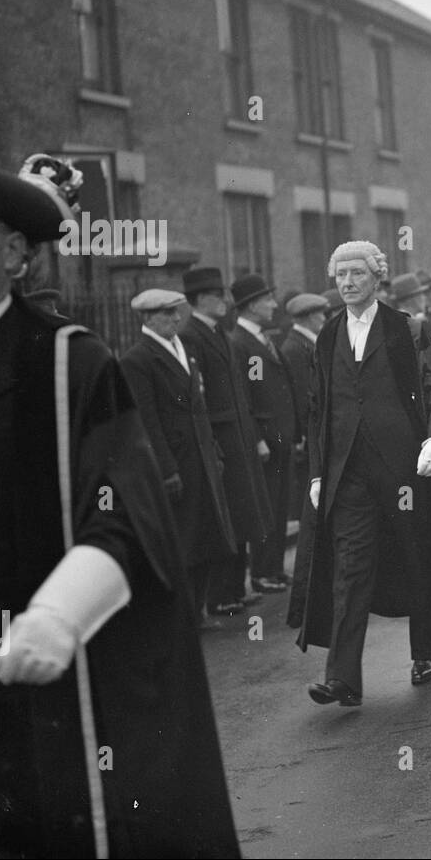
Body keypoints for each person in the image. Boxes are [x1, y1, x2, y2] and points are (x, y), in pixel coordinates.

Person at [0, 146, 237, 857]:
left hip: (48, 672)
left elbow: (128, 510)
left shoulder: (67, 360)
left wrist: (59, 613)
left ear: (19, 253)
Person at [297, 240, 431, 705]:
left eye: (356, 275)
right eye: (340, 276)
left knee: (417, 558)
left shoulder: (407, 329)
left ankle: (424, 653)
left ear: (377, 279)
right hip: (349, 474)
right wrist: (319, 474)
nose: (347, 283)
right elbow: (319, 411)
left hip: (404, 469)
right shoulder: (327, 335)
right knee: (350, 567)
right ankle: (342, 677)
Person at [120, 289, 236, 622]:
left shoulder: (182, 350)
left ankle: (196, 610)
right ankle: (182, 616)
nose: (175, 318)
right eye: (167, 313)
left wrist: (213, 450)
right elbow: (146, 420)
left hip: (201, 459)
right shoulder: (138, 359)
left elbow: (199, 410)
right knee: (184, 542)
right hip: (176, 464)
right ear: (147, 318)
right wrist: (167, 470)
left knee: (207, 538)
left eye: (176, 312)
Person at [180, 265, 271, 615]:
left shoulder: (218, 333)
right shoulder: (192, 335)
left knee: (244, 511)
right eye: (218, 296)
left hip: (239, 432)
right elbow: (198, 395)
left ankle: (235, 587)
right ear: (201, 299)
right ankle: (221, 593)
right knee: (228, 514)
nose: (225, 301)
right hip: (220, 435)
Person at [230, 275, 301, 595]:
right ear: (250, 306)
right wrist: (257, 437)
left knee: (280, 503)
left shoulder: (262, 338)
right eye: (267, 300)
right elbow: (244, 396)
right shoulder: (241, 343)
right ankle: (261, 572)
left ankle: (273, 568)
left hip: (281, 435)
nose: (274, 305)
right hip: (267, 439)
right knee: (267, 505)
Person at [281, 293, 328, 524]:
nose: (323, 318)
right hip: (310, 430)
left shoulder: (308, 342)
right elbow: (301, 395)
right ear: (308, 317)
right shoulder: (295, 348)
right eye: (319, 313)